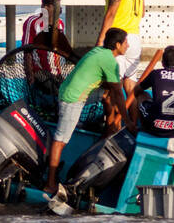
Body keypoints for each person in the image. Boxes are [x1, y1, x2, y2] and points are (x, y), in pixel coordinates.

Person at [45, 27, 132, 197]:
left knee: (107, 94)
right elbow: (119, 94)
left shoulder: (99, 51)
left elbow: (110, 88)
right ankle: (50, 183)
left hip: (73, 91)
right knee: (61, 140)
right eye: (126, 42)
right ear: (117, 45)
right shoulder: (109, 61)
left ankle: (109, 129)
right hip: (73, 98)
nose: (128, 45)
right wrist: (127, 120)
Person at [98, 0, 144, 98]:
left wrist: (100, 42)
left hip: (117, 39)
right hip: (135, 38)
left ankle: (113, 121)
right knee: (130, 85)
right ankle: (133, 120)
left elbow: (110, 15)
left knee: (111, 87)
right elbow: (142, 12)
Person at [134, 45, 174, 138]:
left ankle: (140, 128)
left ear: (162, 63)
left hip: (154, 127)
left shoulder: (155, 74)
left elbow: (137, 90)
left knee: (142, 95)